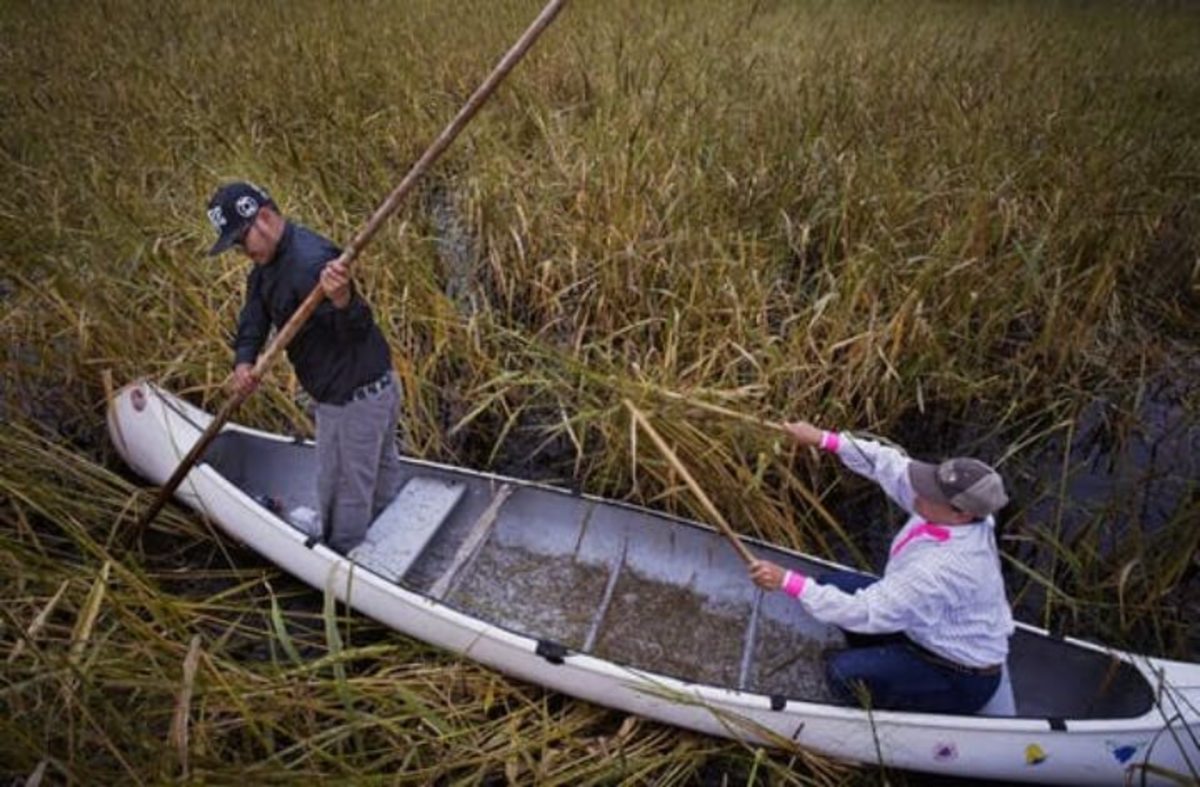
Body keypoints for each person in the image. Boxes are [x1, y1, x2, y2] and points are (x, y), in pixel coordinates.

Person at [749, 420, 1014, 714]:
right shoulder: (962, 515)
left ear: (961, 514)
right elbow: (890, 465)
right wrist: (823, 439)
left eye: (930, 493)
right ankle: (879, 660)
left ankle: (886, 704)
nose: (918, 491)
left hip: (956, 673)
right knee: (829, 584)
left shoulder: (939, 570)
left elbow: (862, 611)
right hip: (925, 628)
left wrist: (787, 581)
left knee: (841, 673)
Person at [206, 181, 404, 554]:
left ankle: (343, 559)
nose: (242, 252)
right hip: (376, 390)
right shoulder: (265, 266)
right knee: (378, 475)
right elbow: (254, 315)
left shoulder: (312, 262)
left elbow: (358, 332)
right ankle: (383, 535)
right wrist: (244, 362)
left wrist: (343, 299)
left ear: (264, 219)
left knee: (342, 495)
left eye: (241, 241)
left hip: (353, 403)